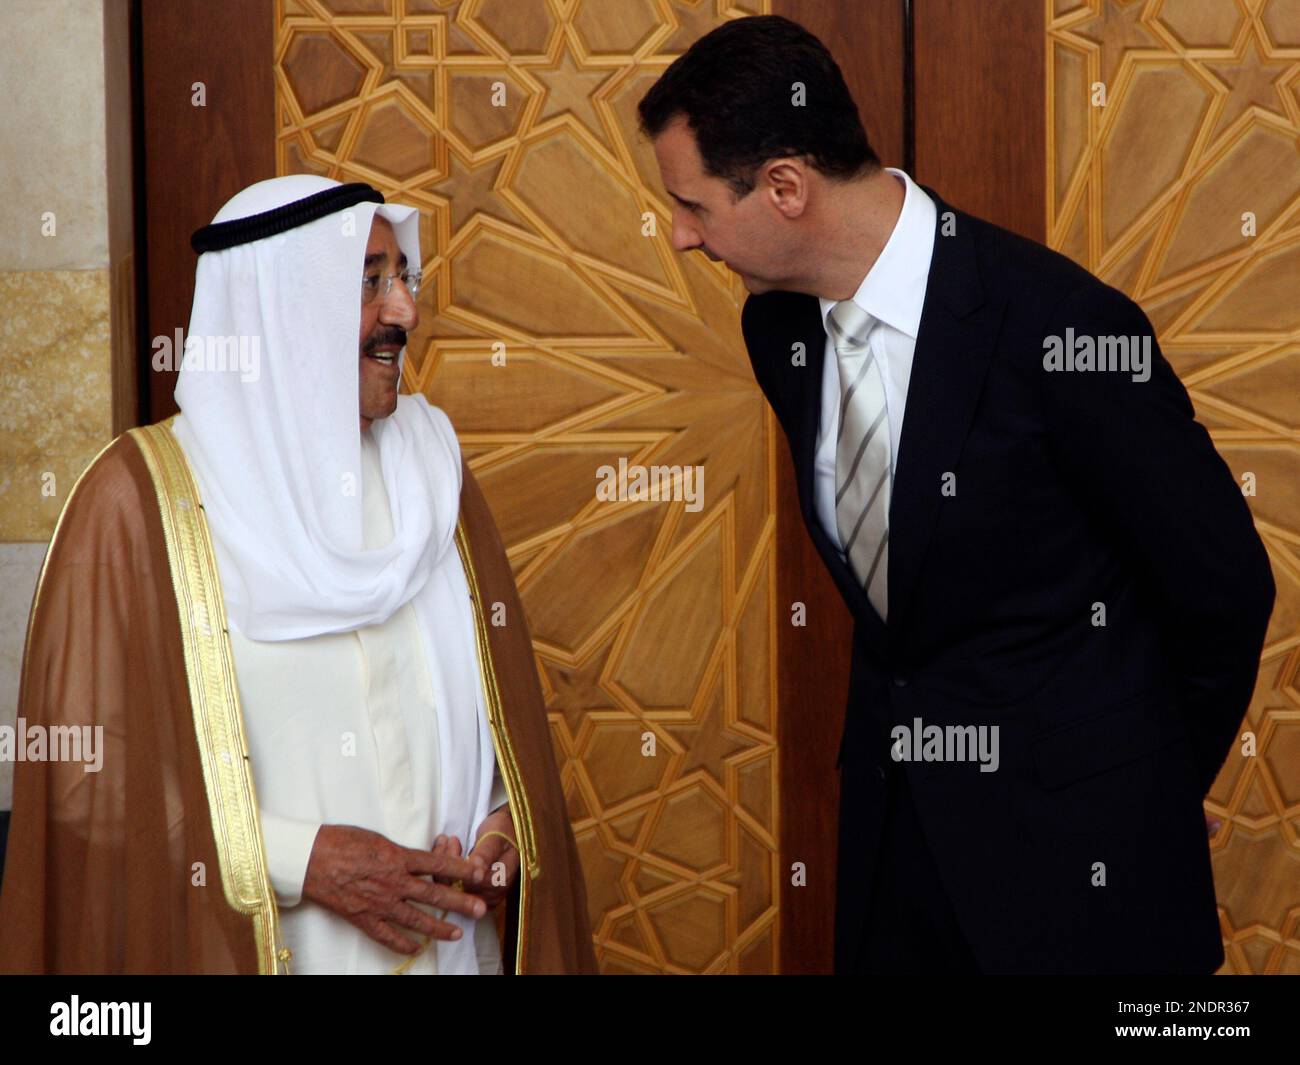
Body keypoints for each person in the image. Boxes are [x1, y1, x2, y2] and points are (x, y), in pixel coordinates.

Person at [638, 16, 1274, 974]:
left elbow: (1224, 586)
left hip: (1083, 890)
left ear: (784, 188)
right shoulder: (779, 331)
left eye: (693, 207)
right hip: (898, 875)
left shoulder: (1064, 329)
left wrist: (1143, 785)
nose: (683, 237)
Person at [0, 175, 597, 975]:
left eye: (403, 278)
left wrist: (499, 825)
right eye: (369, 283)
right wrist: (299, 858)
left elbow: (497, 722)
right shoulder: (142, 502)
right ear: (277, 313)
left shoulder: (433, 474)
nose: (404, 313)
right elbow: (83, 776)